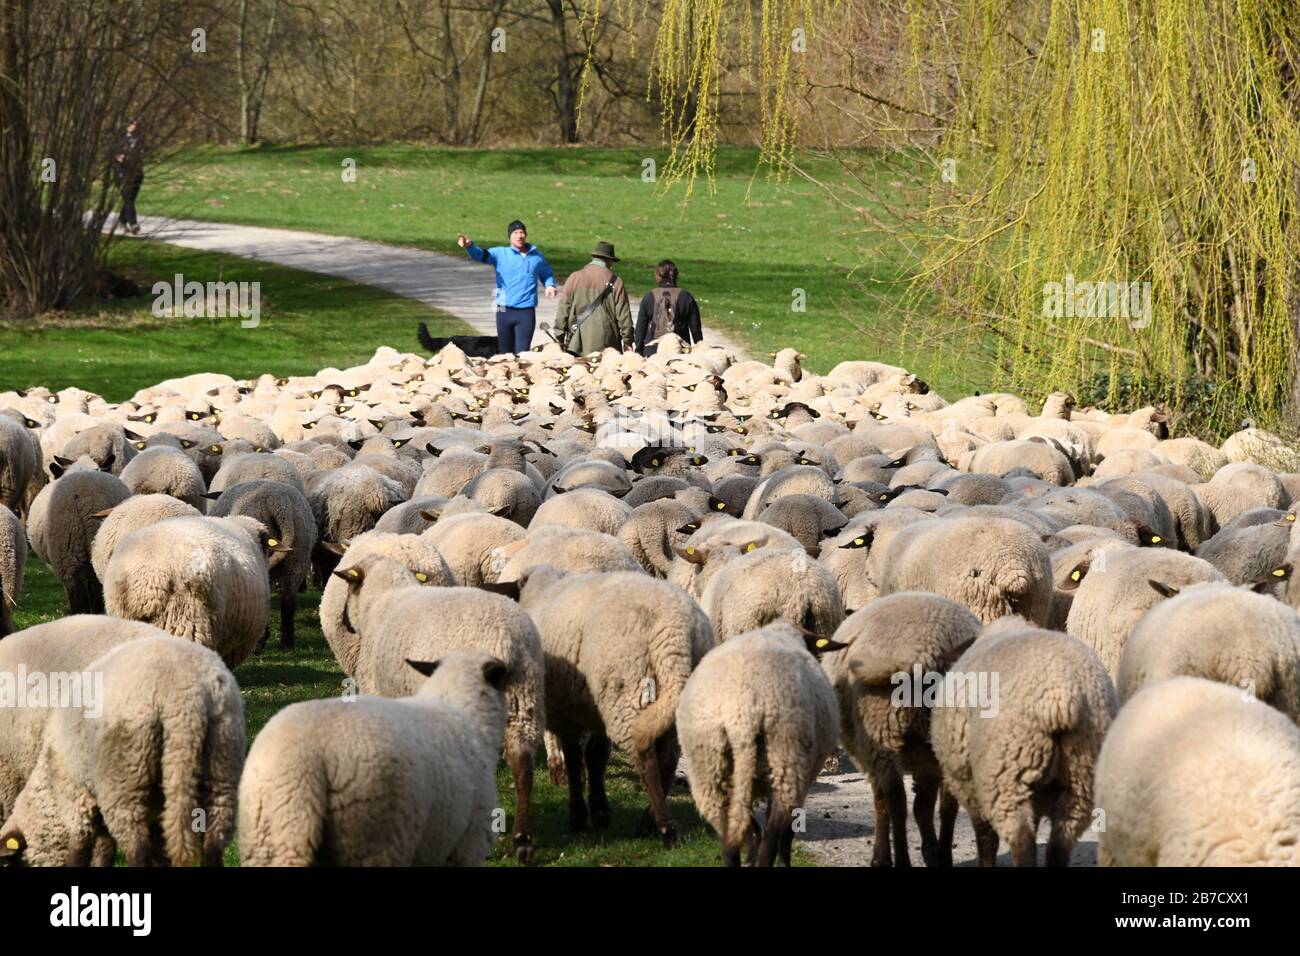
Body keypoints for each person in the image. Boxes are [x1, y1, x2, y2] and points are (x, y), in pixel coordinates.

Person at [458, 220, 557, 354]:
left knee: (523, 354)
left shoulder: (536, 256)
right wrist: (469, 246)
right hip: (504, 310)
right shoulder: (500, 254)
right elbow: (481, 255)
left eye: (521, 232)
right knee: (505, 354)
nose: (519, 236)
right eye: (515, 233)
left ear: (525, 235)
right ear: (510, 237)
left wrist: (549, 285)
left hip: (526, 311)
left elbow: (546, 273)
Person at [554, 240, 634, 354]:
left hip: (576, 343)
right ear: (609, 260)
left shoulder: (574, 278)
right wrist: (628, 342)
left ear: (594, 257)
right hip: (607, 345)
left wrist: (559, 338)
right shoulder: (616, 282)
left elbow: (563, 311)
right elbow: (624, 317)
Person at [634, 259, 703, 356]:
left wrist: (638, 350)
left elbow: (640, 328)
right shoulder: (686, 297)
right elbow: (696, 329)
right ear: (676, 276)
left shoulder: (649, 297)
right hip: (680, 350)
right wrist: (699, 349)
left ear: (658, 276)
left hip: (652, 351)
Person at [114, 118, 145, 235]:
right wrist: (117, 157)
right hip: (122, 172)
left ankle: (122, 221)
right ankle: (133, 223)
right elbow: (111, 152)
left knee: (130, 199)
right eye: (132, 124)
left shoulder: (140, 139)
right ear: (127, 125)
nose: (134, 126)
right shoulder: (119, 138)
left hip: (136, 172)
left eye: (136, 124)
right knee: (128, 198)